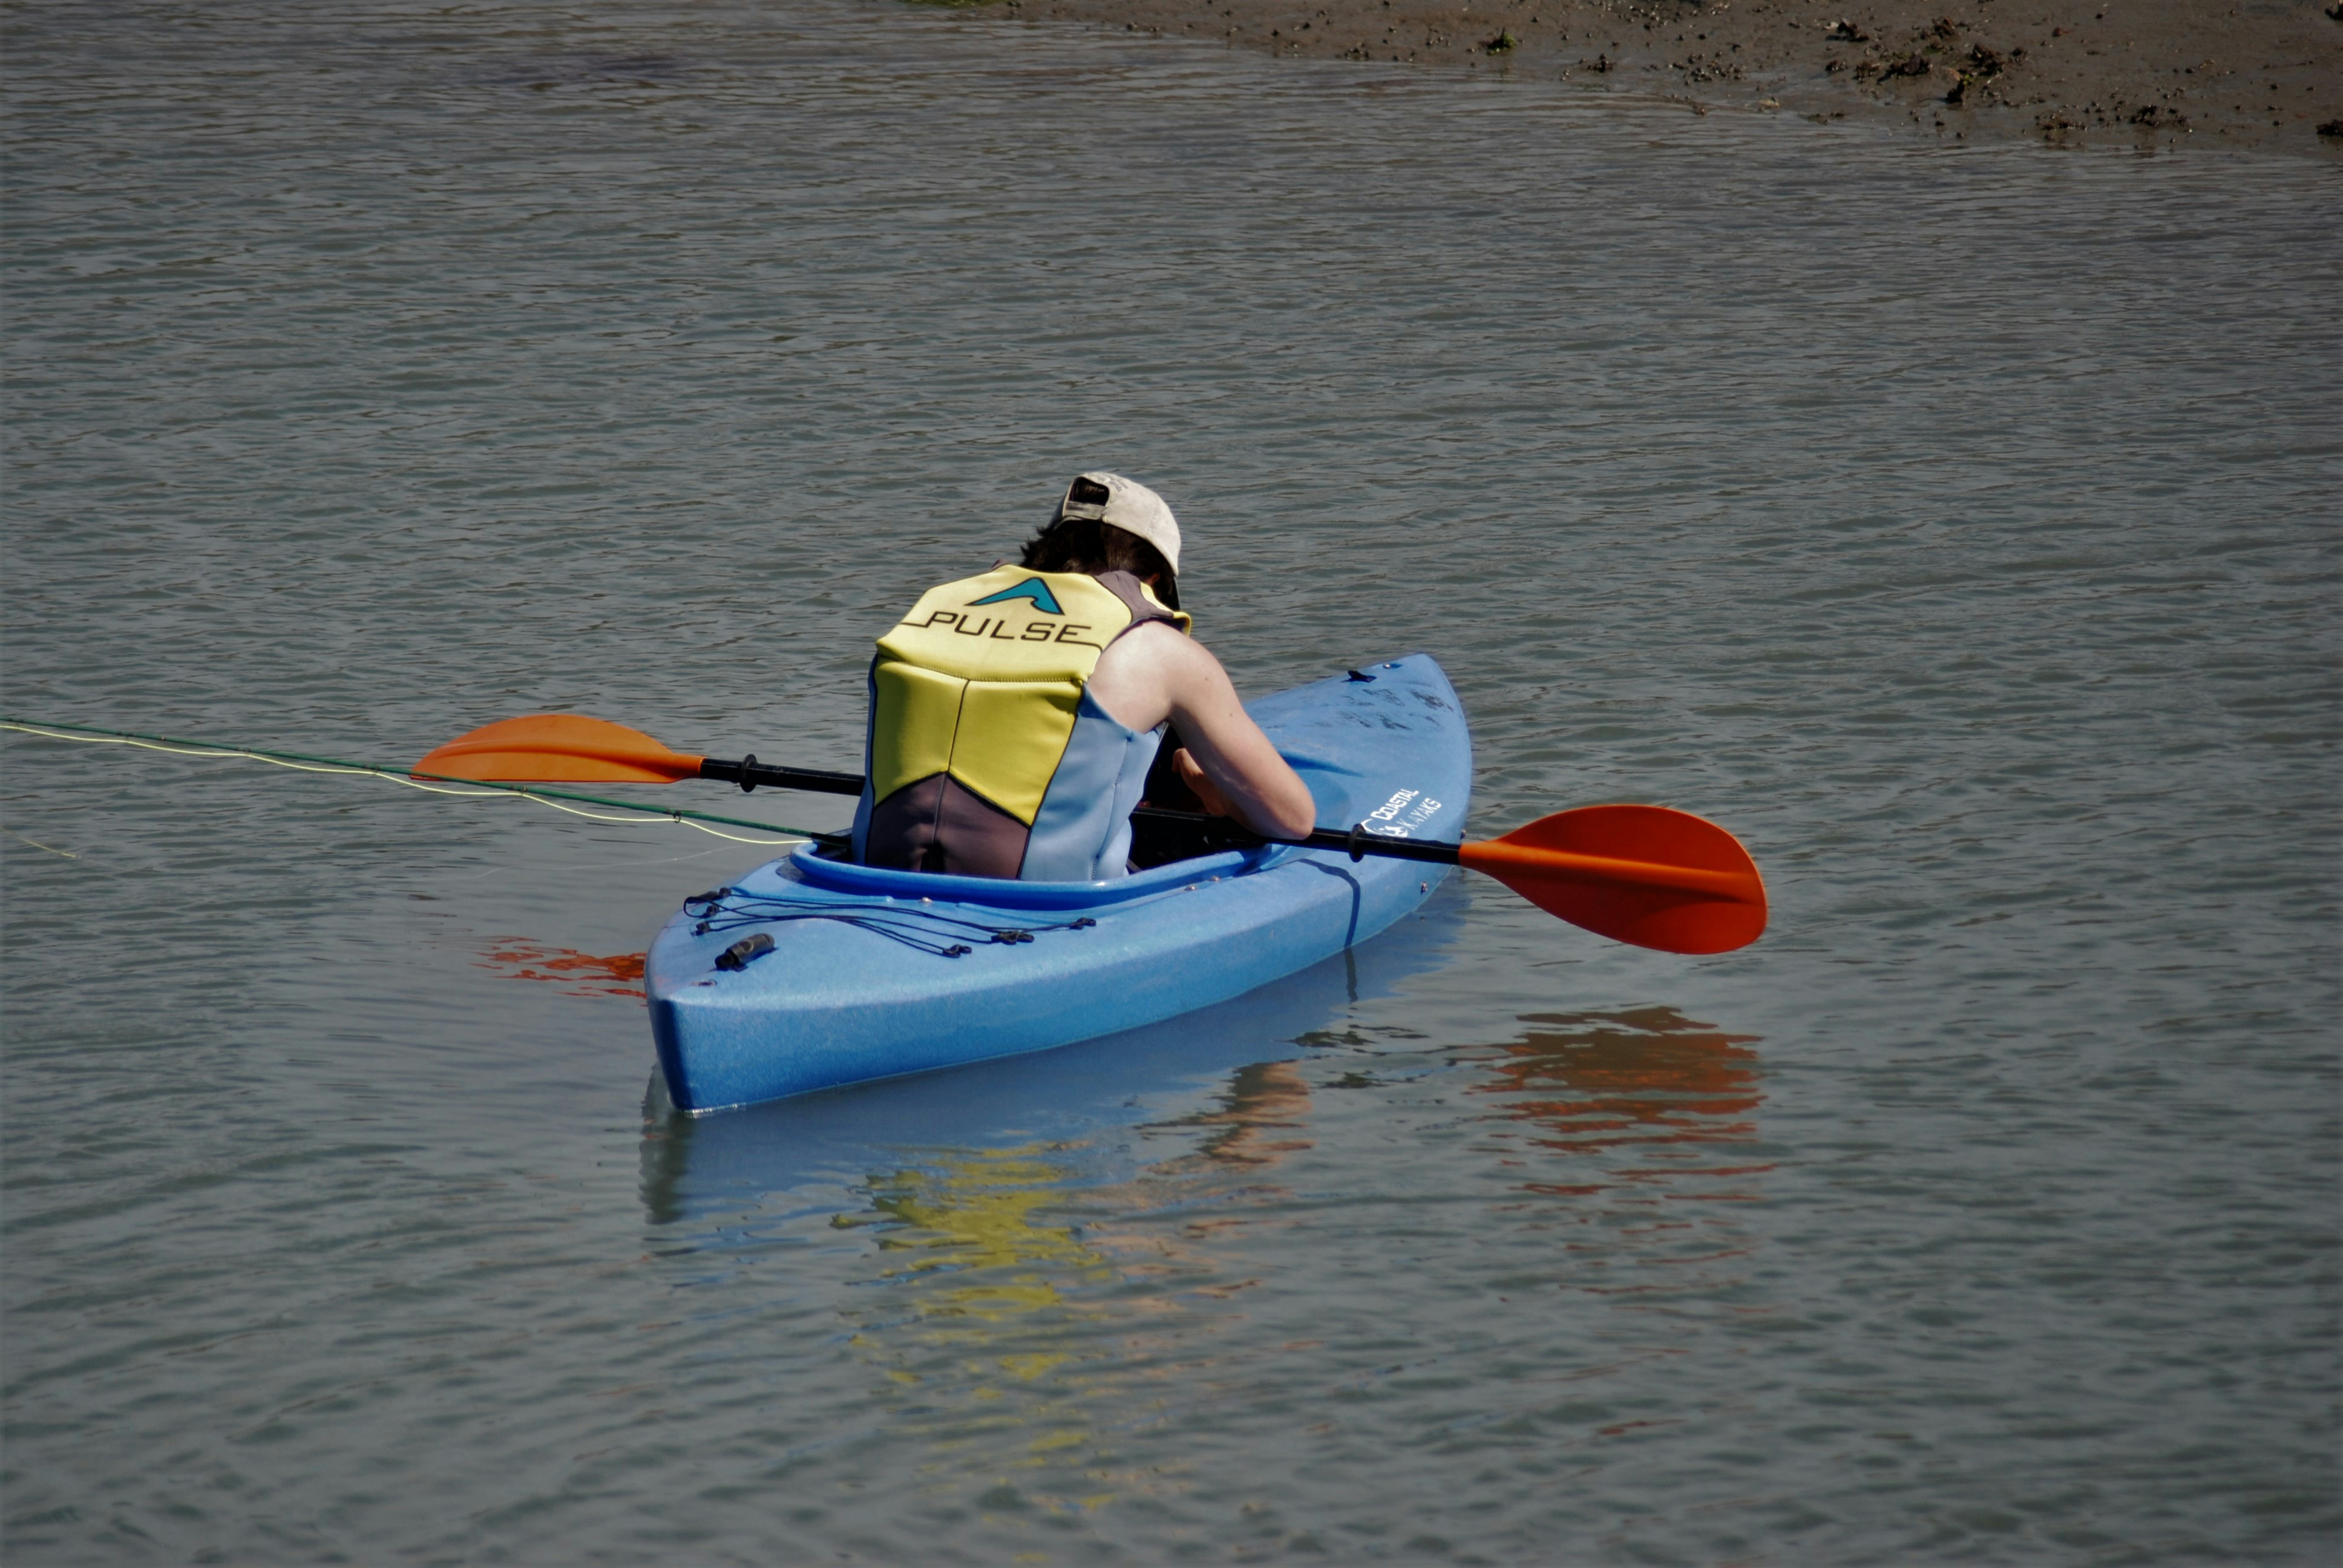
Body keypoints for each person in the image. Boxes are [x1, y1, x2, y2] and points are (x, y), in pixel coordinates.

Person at [850, 472, 1317, 880]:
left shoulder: (935, 605)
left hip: (877, 870)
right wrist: (1214, 793)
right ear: (1154, 580)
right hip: (1049, 901)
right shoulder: (1158, 647)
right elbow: (1293, 819)